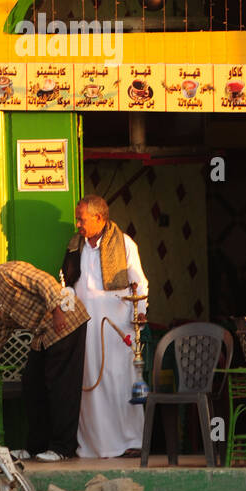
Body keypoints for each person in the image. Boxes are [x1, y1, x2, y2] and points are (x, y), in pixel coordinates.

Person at [0, 257, 91, 462]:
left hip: (66, 321)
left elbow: (43, 281)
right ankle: (36, 447)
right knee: (31, 383)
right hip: (44, 333)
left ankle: (63, 448)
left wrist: (56, 310)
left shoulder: (5, 272)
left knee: (61, 386)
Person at [62, 195, 148, 459]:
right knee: (90, 381)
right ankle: (92, 445)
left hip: (116, 324)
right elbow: (66, 282)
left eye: (82, 218)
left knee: (120, 381)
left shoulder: (124, 243)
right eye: (78, 218)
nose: (78, 223)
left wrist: (140, 315)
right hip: (85, 324)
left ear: (99, 218)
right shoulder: (75, 245)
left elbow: (139, 283)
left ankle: (131, 441)